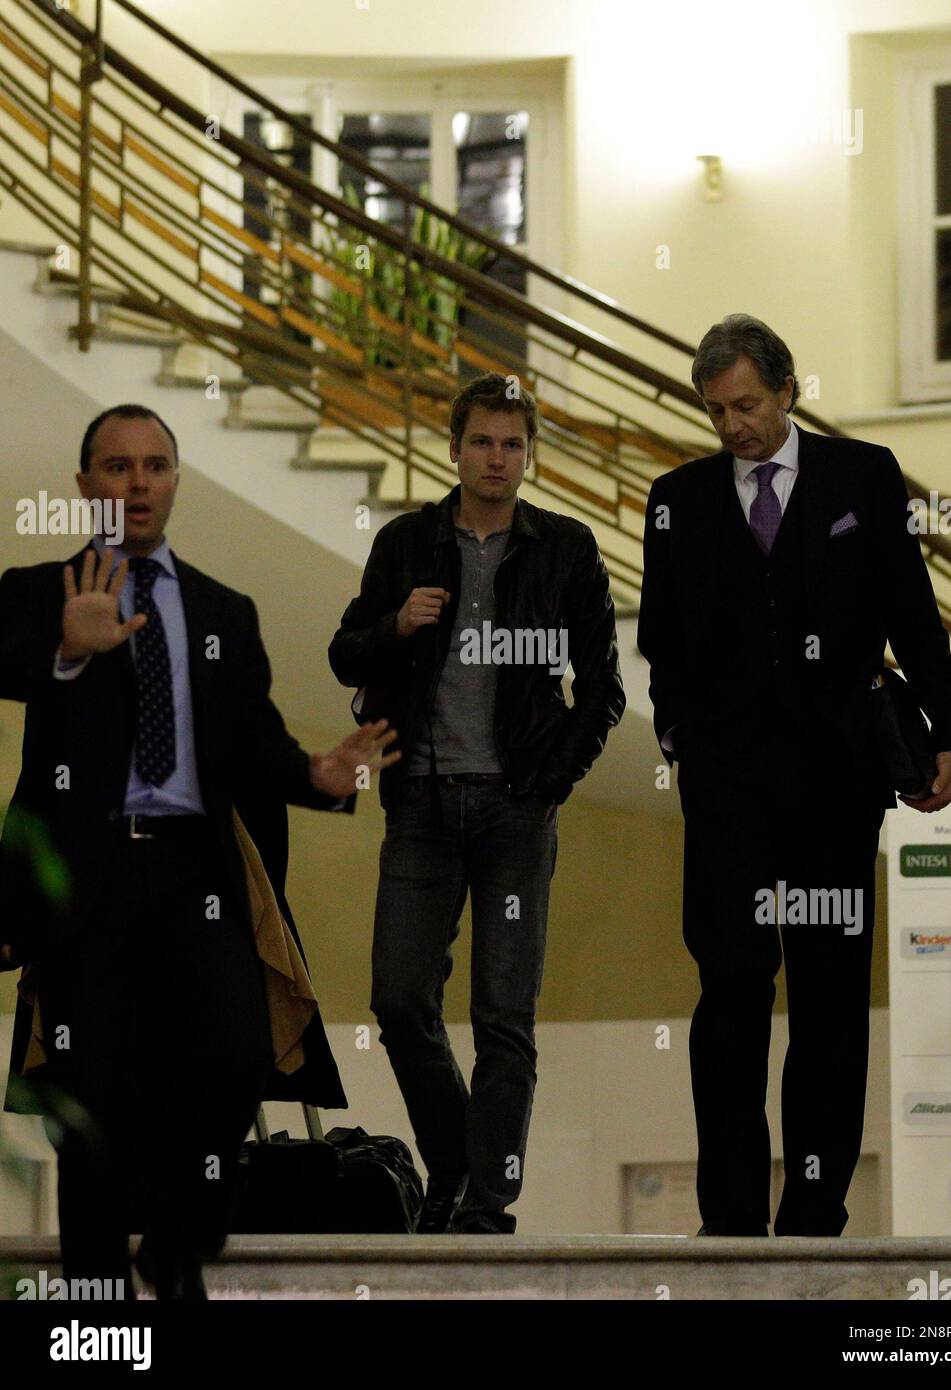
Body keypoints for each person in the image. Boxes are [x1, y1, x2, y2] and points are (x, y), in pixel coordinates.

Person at [0, 404, 398, 1297]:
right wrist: (67, 648)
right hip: (89, 883)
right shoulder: (40, 590)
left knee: (231, 1059)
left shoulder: (226, 609)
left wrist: (322, 775)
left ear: (176, 481)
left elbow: (252, 746)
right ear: (85, 486)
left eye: (154, 466)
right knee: (91, 1109)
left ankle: (176, 1249)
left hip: (194, 877)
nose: (135, 483)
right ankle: (100, 1324)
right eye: (115, 467)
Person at [637, 314, 951, 1237]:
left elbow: (912, 609)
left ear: (786, 392)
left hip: (835, 787)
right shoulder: (676, 498)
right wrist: (680, 739)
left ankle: (814, 1215)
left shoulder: (860, 475)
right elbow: (659, 641)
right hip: (727, 796)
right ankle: (733, 1222)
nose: (733, 425)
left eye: (746, 403)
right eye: (715, 411)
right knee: (732, 990)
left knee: (828, 1001)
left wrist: (945, 729)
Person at [329, 372, 625, 1233]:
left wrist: (546, 782)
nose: (496, 458)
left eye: (512, 444)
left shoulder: (565, 549)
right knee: (398, 1001)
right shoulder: (405, 543)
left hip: (513, 808)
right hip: (419, 800)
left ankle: (485, 1205)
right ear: (454, 449)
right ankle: (455, 1163)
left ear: (528, 455)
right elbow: (345, 654)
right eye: (482, 442)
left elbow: (602, 689)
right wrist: (395, 628)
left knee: (503, 1014)